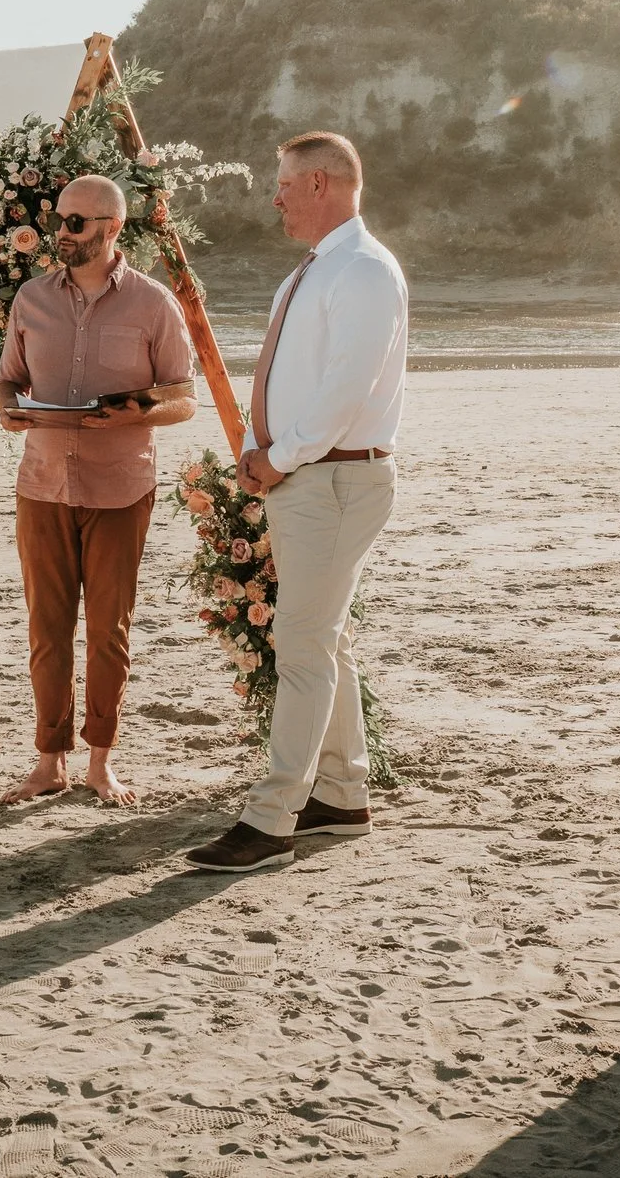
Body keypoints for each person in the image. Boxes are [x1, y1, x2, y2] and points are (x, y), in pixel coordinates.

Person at [186, 132, 406, 874]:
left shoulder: (366, 272)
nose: (274, 197)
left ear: (322, 183)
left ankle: (272, 816)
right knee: (325, 639)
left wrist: (275, 459)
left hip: (337, 479)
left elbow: (343, 395)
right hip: (307, 477)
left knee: (303, 643)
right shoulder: (310, 275)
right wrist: (258, 450)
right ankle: (342, 795)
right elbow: (287, 375)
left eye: (283, 183)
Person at [0, 175, 195, 807]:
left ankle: (100, 764)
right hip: (43, 485)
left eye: (75, 223)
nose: (62, 233)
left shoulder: (154, 303)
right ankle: (48, 762)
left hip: (120, 487)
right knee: (47, 630)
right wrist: (7, 410)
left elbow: (183, 397)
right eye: (59, 220)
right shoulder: (30, 299)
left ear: (111, 228)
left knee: (108, 631)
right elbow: (7, 382)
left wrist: (139, 414)